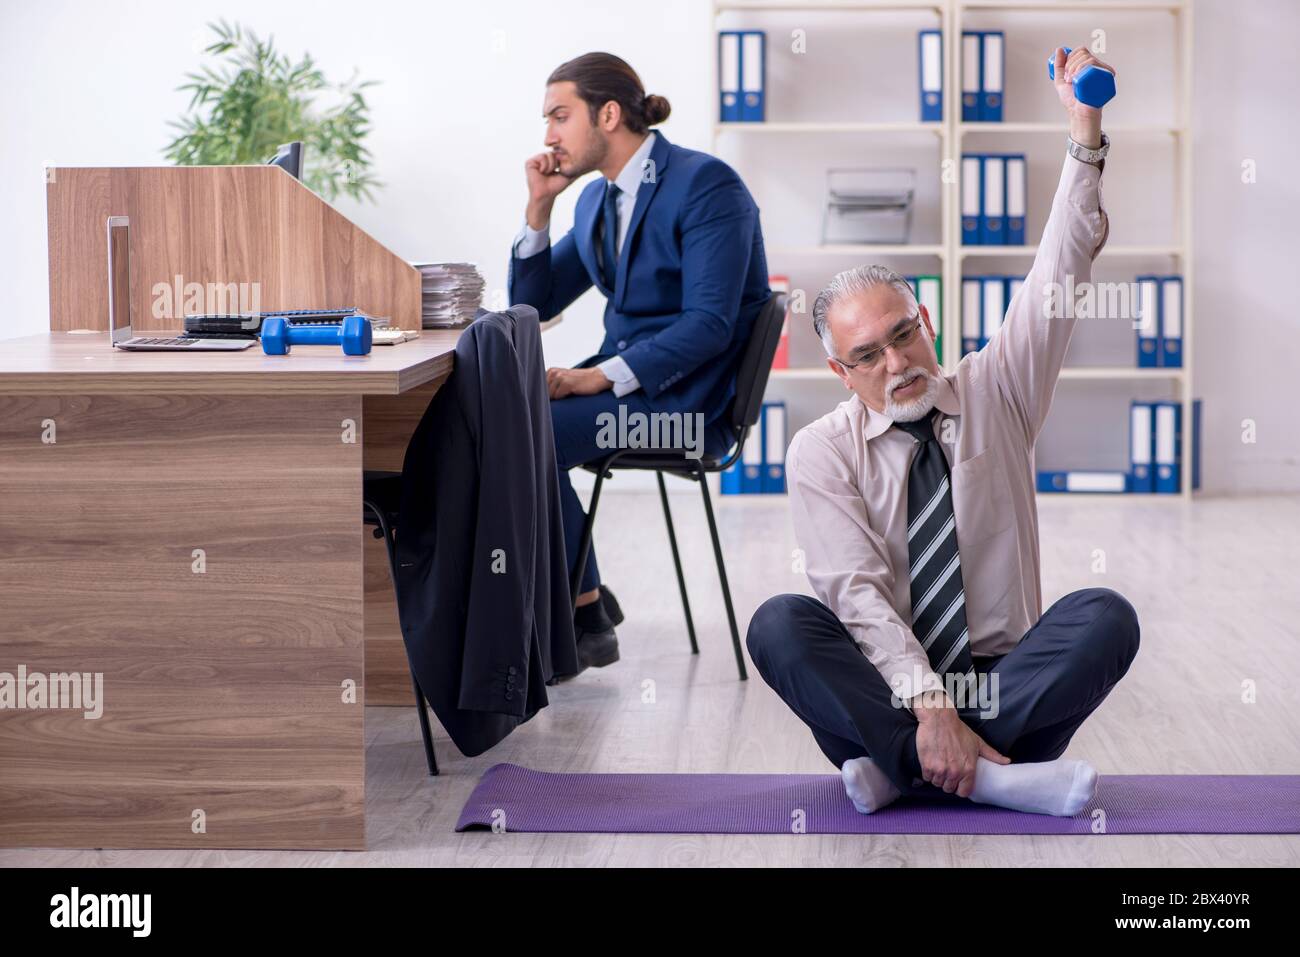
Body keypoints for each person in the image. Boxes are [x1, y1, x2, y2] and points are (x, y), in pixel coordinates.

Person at [746, 47, 1139, 816]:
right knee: (780, 624)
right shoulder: (822, 451)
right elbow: (856, 595)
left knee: (1106, 616)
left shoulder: (998, 386)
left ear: (925, 321)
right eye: (868, 355)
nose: (897, 363)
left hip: (1005, 681)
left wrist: (1084, 129)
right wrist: (928, 706)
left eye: (903, 335)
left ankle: (898, 773)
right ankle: (993, 779)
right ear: (841, 372)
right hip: (889, 688)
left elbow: (1056, 275)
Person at [509, 52, 770, 677]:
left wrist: (597, 377)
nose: (548, 135)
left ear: (608, 114)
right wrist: (538, 212)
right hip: (634, 399)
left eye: (559, 116)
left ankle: (581, 613)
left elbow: (709, 324)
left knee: (529, 433)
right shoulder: (597, 202)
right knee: (508, 420)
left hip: (688, 412)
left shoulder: (706, 185)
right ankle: (584, 608)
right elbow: (534, 304)